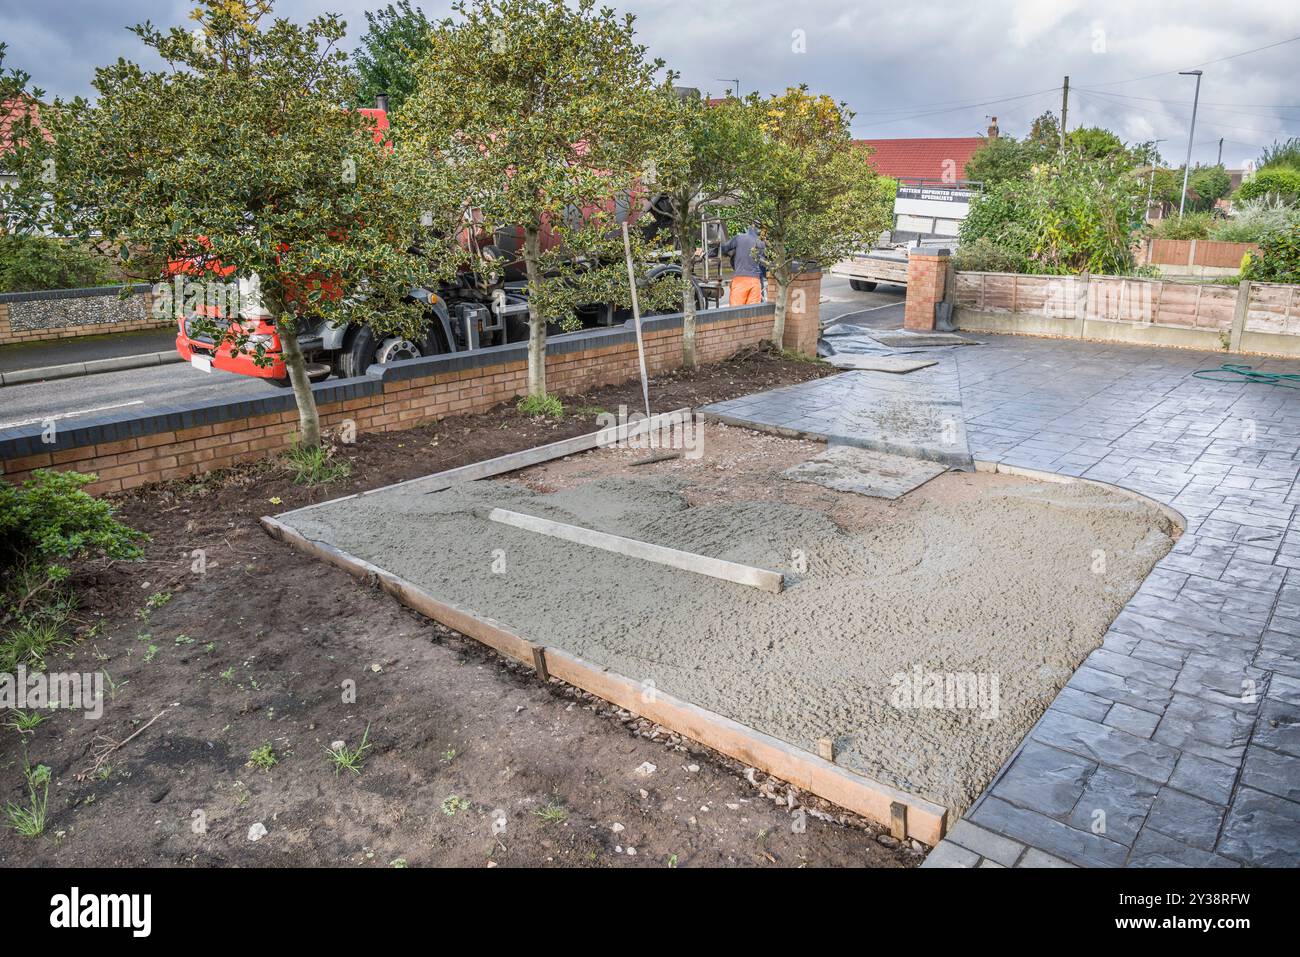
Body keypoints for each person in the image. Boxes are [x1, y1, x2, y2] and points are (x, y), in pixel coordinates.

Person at [722, 225, 765, 306]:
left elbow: (724, 248)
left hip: (740, 280)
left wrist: (707, 253)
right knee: (752, 312)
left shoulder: (739, 238)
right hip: (755, 281)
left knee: (736, 312)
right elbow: (764, 264)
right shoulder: (761, 243)